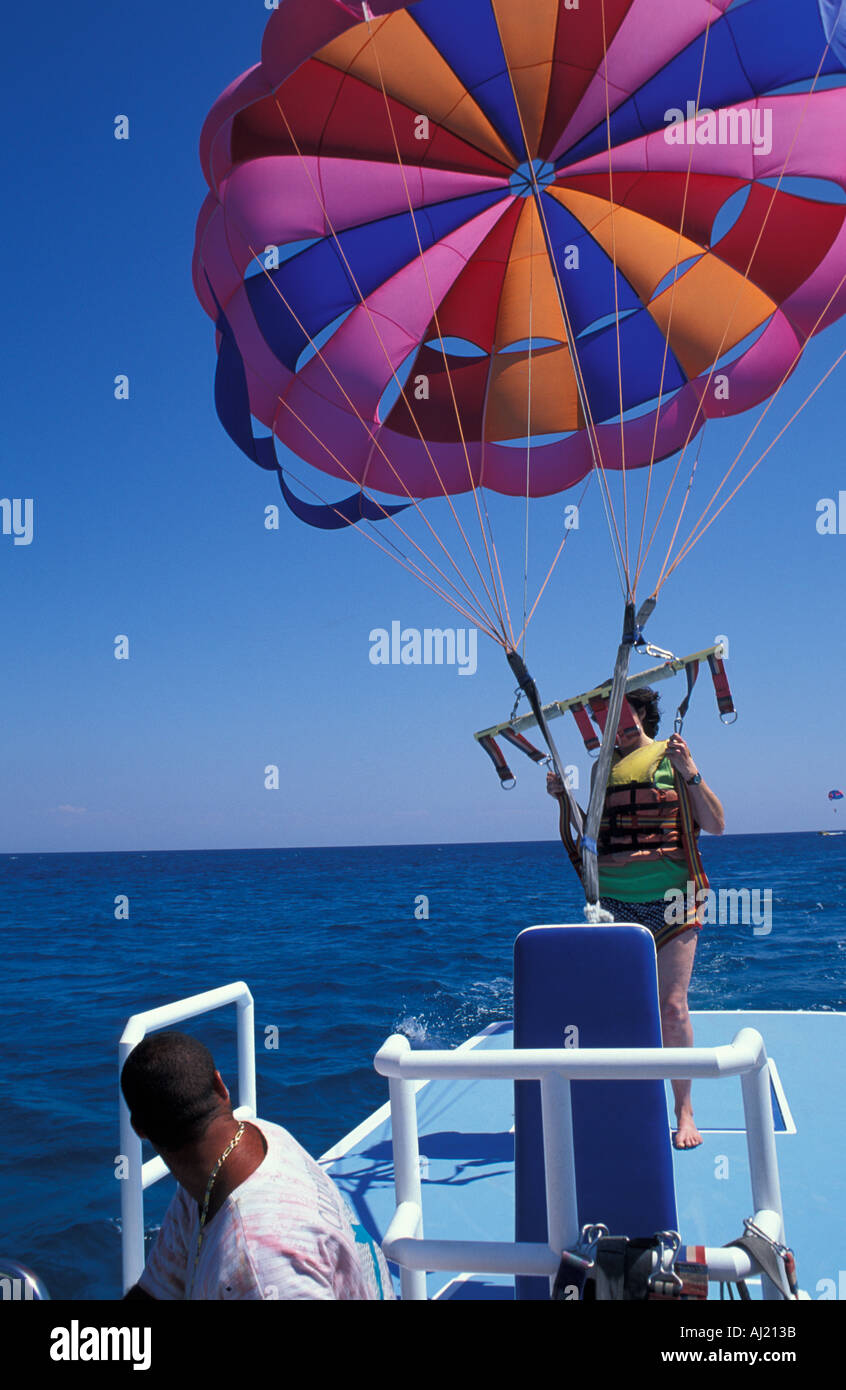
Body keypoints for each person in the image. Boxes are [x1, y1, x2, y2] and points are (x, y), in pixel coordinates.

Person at [547, 687, 724, 1150]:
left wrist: (691, 772)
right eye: (608, 720)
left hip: (673, 900)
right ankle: (619, 1104)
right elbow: (594, 834)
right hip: (616, 903)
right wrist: (564, 801)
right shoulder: (600, 768)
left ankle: (683, 1110)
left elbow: (717, 823)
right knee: (615, 1009)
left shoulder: (673, 754)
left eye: (625, 716)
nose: (618, 727)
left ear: (643, 714)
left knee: (672, 1006)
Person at [120, 1031, 393, 1300]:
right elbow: (154, 1293)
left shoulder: (259, 1269)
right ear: (220, 1087)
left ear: (139, 1130)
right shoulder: (252, 1141)